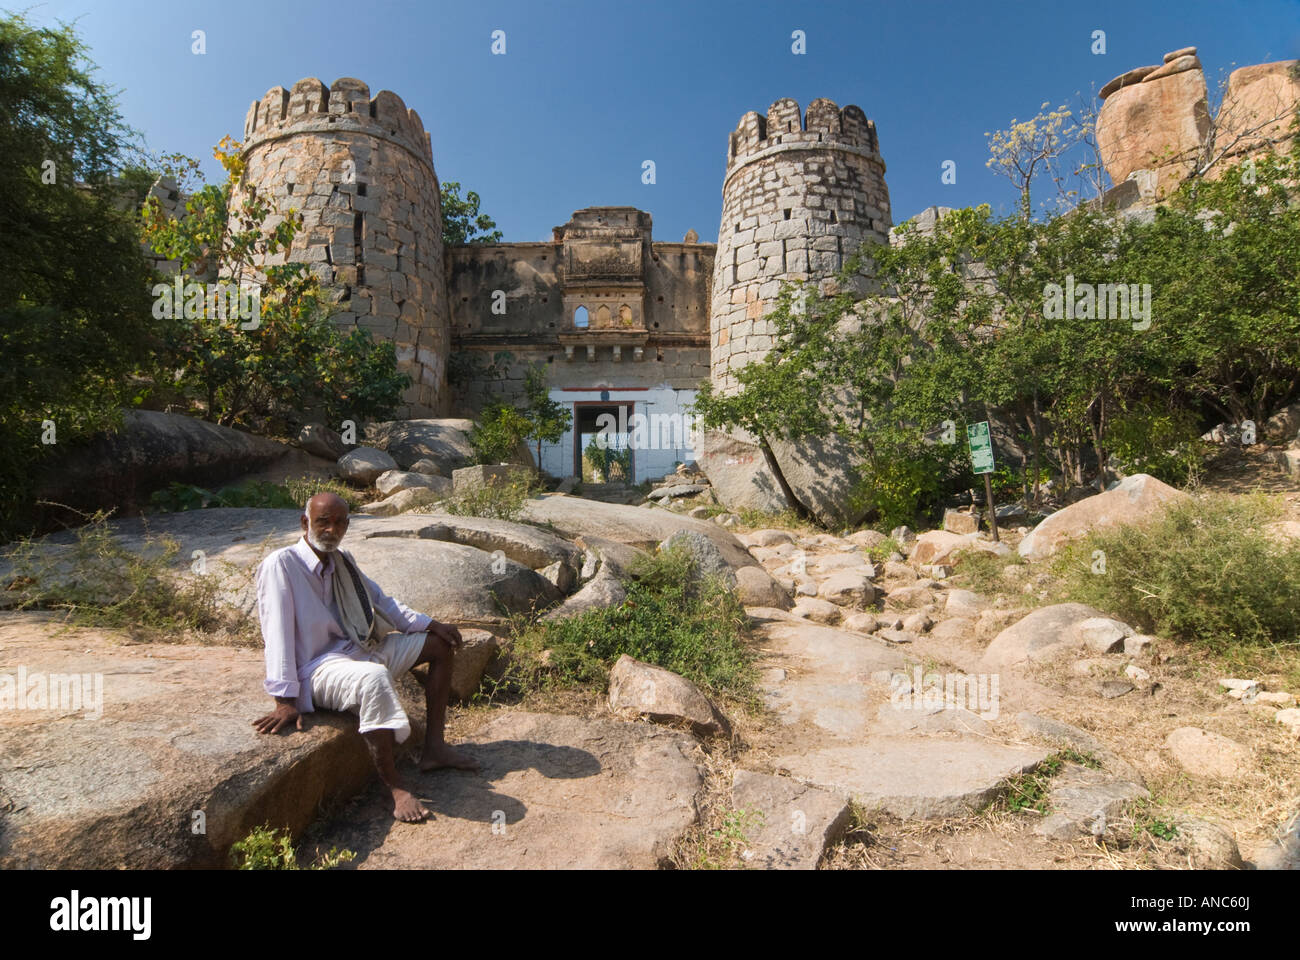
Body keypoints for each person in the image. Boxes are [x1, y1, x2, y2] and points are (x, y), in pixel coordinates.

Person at [251, 491, 477, 822]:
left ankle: (434, 749)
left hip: (359, 649)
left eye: (340, 522)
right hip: (317, 669)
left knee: (438, 646)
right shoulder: (281, 565)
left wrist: (432, 624)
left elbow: (383, 602)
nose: (331, 530)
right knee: (374, 679)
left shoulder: (342, 561)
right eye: (323, 522)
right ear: (305, 523)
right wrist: (284, 697)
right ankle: (396, 790)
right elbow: (277, 631)